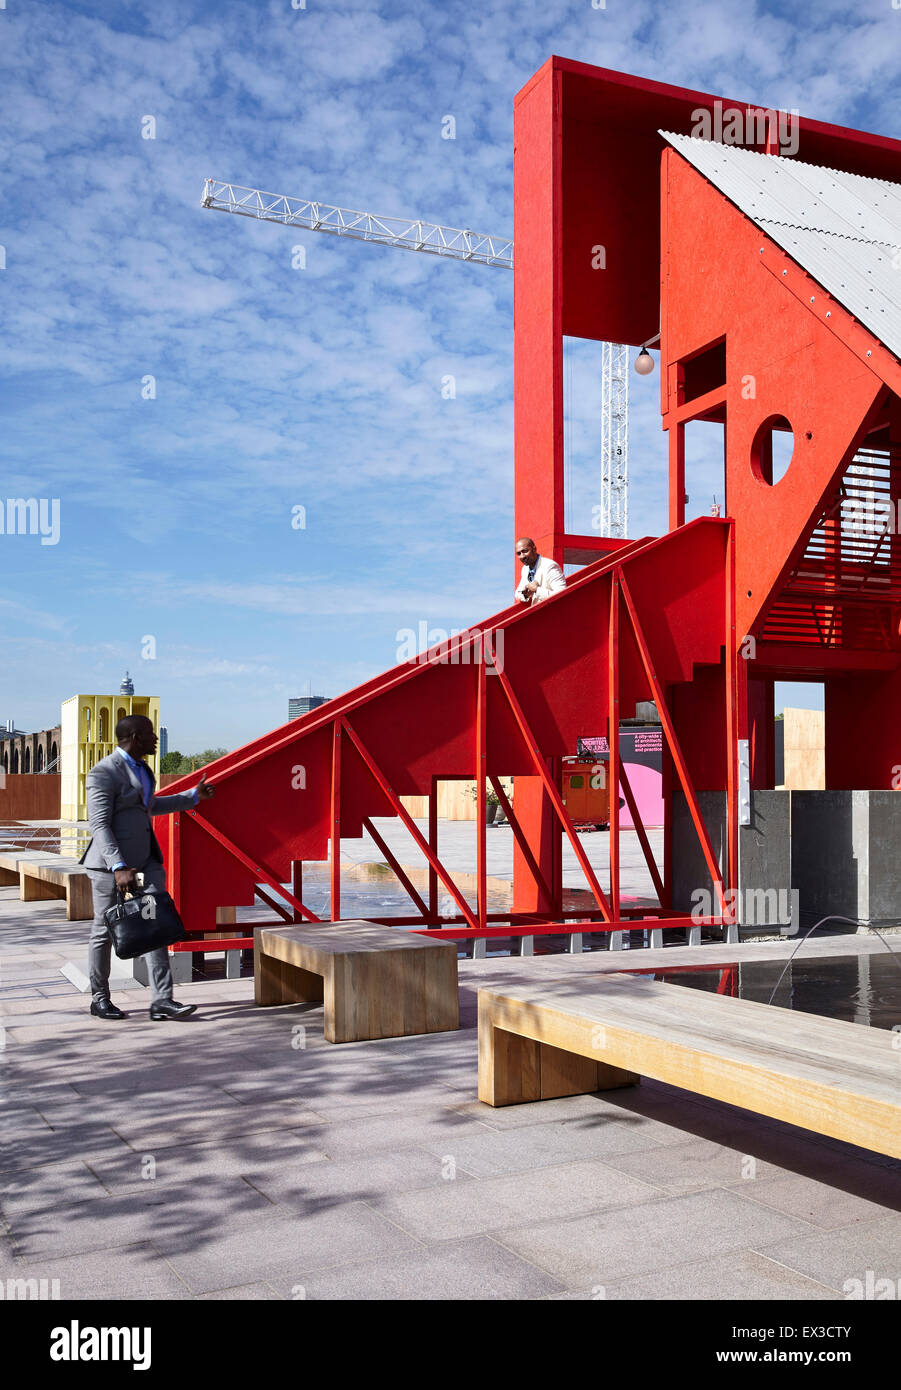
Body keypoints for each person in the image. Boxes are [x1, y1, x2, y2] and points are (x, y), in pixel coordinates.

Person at [79, 714, 215, 1021]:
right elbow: (99, 824)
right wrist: (117, 865)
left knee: (156, 923)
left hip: (145, 863)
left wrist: (193, 797)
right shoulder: (103, 773)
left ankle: (162, 1001)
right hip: (110, 868)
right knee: (104, 929)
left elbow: (150, 806)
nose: (156, 739)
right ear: (136, 736)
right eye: (151, 734)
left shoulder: (143, 769)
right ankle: (99, 998)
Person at [514, 537, 566, 605]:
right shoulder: (525, 569)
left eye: (525, 551)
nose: (522, 556)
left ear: (534, 549)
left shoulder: (550, 566)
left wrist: (536, 590)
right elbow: (517, 594)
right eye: (519, 553)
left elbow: (562, 594)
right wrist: (527, 594)